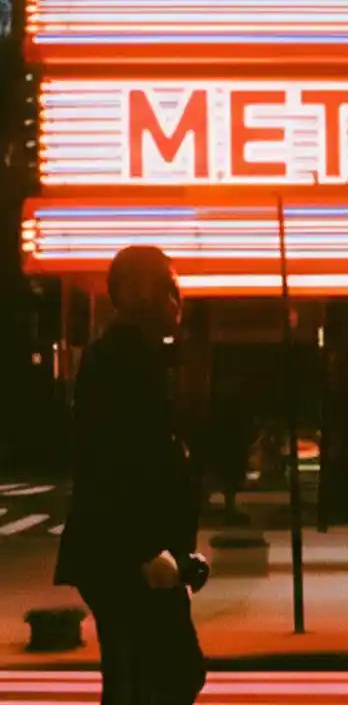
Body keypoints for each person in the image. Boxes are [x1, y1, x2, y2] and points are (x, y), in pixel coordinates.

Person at [54, 246, 207, 705]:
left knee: (147, 675)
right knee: (156, 677)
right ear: (140, 293)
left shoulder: (130, 355)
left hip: (129, 554)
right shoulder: (125, 359)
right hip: (130, 556)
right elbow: (122, 460)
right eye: (171, 289)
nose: (178, 302)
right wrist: (148, 551)